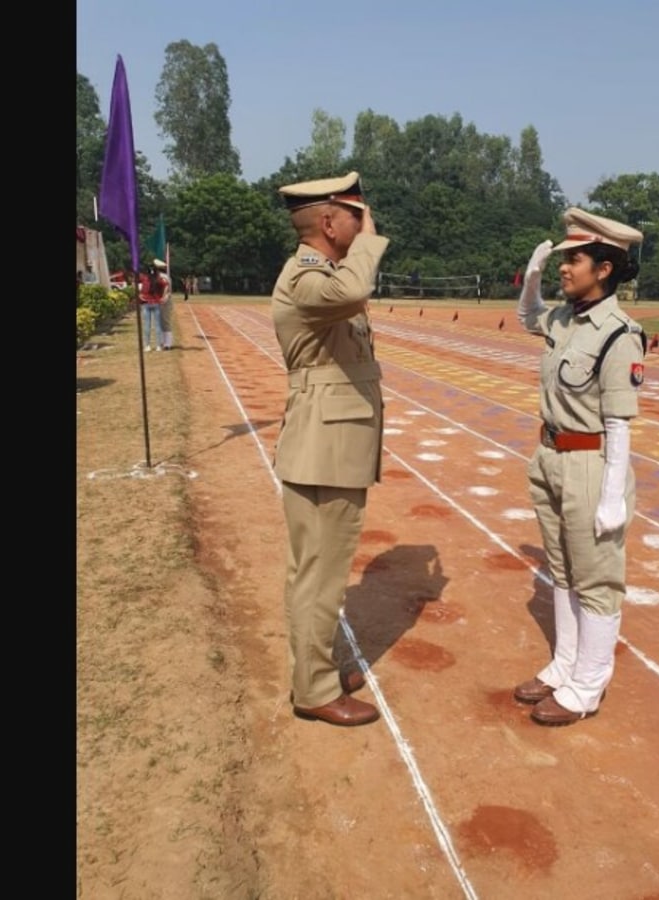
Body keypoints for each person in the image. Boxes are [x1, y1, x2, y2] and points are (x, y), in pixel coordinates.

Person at [512, 208, 647, 727]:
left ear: (605, 268)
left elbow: (619, 426)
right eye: (564, 260)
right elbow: (528, 318)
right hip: (549, 456)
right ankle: (565, 665)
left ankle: (589, 685)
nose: (565, 268)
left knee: (596, 578)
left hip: (591, 462)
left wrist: (612, 496)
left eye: (575, 259)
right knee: (563, 570)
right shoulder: (565, 319)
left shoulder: (619, 334)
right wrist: (532, 281)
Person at [270, 171, 390, 727]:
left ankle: (312, 671)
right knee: (320, 572)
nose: (363, 223)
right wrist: (369, 241)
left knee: (313, 571)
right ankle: (314, 689)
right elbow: (353, 291)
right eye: (353, 215)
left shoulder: (322, 274)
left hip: (328, 440)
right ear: (327, 221)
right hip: (326, 444)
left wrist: (360, 240)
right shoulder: (307, 277)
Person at [137, 264, 163, 352]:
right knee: (158, 326)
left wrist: (140, 295)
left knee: (147, 326)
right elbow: (166, 284)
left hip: (146, 303)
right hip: (156, 303)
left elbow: (135, 279)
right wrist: (164, 296)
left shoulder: (144, 278)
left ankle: (147, 346)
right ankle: (159, 346)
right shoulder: (158, 279)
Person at [152, 258, 175, 350]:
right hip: (158, 301)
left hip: (165, 301)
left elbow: (167, 290)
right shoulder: (156, 277)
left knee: (165, 322)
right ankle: (162, 342)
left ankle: (167, 343)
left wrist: (163, 299)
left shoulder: (164, 277)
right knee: (159, 322)